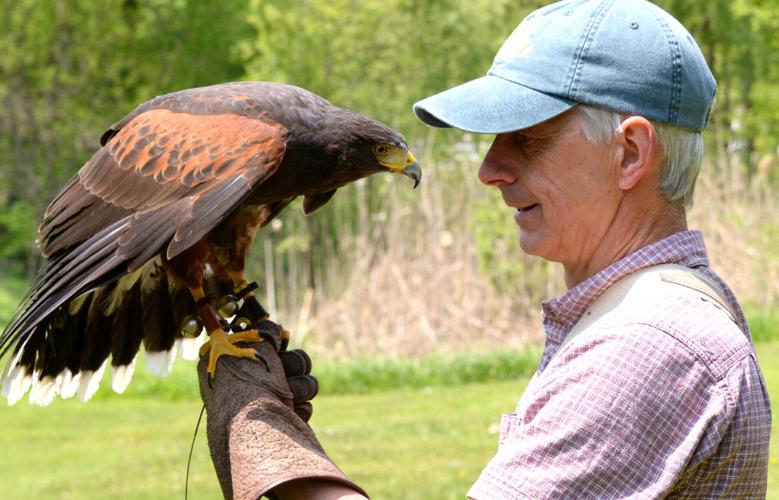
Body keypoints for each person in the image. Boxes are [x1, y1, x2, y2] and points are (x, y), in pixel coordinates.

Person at [199, 0, 771, 498]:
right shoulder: (666, 310)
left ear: (630, 153)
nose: (489, 170)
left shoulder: (646, 348)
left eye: (527, 139)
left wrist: (272, 444)